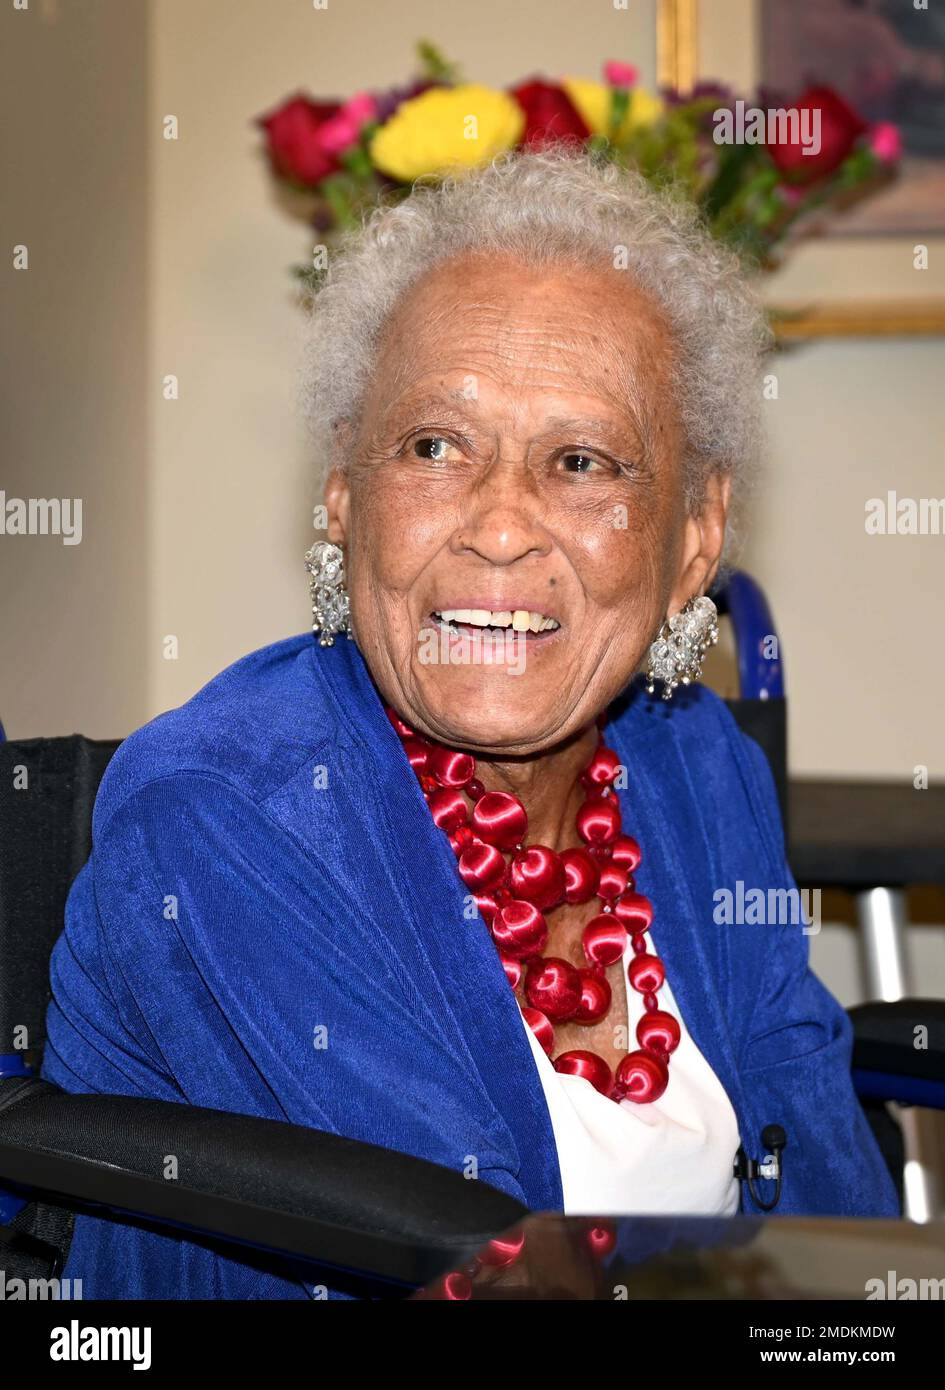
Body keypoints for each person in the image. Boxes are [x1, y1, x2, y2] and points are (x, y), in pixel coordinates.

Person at [42, 148, 898, 1301]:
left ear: (694, 536)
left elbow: (823, 1180)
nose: (500, 526)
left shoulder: (700, 764)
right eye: (435, 446)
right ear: (345, 489)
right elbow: (486, 1259)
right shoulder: (223, 809)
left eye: (581, 461)